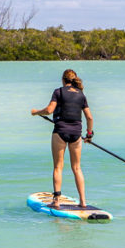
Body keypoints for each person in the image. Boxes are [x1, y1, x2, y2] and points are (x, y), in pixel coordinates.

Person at [31, 68, 94, 206]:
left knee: (58, 167)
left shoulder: (58, 92)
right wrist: (89, 134)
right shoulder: (81, 95)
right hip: (76, 134)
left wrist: (36, 112)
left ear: (63, 80)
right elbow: (89, 117)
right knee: (77, 168)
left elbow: (49, 110)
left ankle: (56, 201)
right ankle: (83, 202)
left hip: (60, 132)